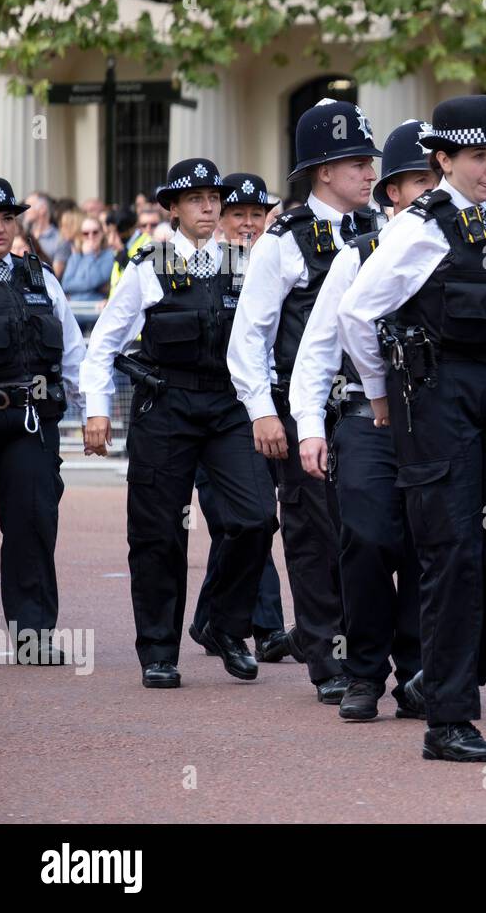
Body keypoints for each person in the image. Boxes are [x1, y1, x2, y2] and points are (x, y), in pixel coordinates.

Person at [338, 95, 486, 761]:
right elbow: (356, 313)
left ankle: (436, 678)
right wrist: (382, 396)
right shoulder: (419, 228)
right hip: (439, 394)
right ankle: (448, 721)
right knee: (453, 554)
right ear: (443, 159)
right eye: (478, 156)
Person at [81, 158, 279, 689]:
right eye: (196, 200)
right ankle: (159, 650)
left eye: (215, 198)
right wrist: (96, 409)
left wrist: (268, 407)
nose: (210, 208)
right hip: (165, 409)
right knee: (157, 533)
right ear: (173, 208)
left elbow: (263, 341)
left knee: (256, 517)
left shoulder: (246, 263)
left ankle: (223, 624)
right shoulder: (148, 266)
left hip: (229, 408)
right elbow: (103, 345)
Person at [227, 98, 382, 704]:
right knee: (314, 538)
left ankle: (374, 649)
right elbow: (250, 334)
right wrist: (263, 410)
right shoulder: (284, 242)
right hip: (307, 407)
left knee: (371, 534)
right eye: (357, 163)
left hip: (370, 410)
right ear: (324, 171)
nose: (371, 173)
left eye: (371, 162)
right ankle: (330, 658)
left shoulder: (385, 230)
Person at [291, 120, 436, 721]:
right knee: (370, 540)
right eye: (416, 181)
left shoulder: (461, 247)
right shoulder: (359, 255)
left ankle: (420, 671)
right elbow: (318, 349)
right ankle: (364, 672)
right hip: (367, 419)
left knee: (429, 549)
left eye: (436, 178)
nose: (428, 191)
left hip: (433, 420)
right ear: (392, 193)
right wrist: (309, 426)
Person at [186, 172, 289, 664]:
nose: (248, 224)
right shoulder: (200, 269)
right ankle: (266, 626)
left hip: (272, 409)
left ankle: (211, 619)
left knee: (247, 522)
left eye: (257, 214)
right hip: (217, 413)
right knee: (246, 519)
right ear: (221, 219)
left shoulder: (281, 261)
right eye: (238, 214)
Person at [0, 177, 86, 664]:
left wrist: (91, 414)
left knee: (31, 527)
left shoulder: (39, 276)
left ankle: (33, 638)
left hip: (29, 421)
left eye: (6, 218)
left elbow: (73, 350)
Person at [59, 217, 114, 331]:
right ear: (81, 236)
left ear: (102, 233)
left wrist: (89, 256)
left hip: (97, 313)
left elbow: (95, 281)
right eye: (86, 233)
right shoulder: (76, 255)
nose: (91, 237)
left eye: (95, 232)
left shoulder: (109, 255)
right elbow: (66, 284)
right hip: (74, 314)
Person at [24, 192, 65, 266]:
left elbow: (54, 274)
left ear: (42, 209)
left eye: (28, 206)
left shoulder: (59, 239)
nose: (25, 211)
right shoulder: (23, 235)